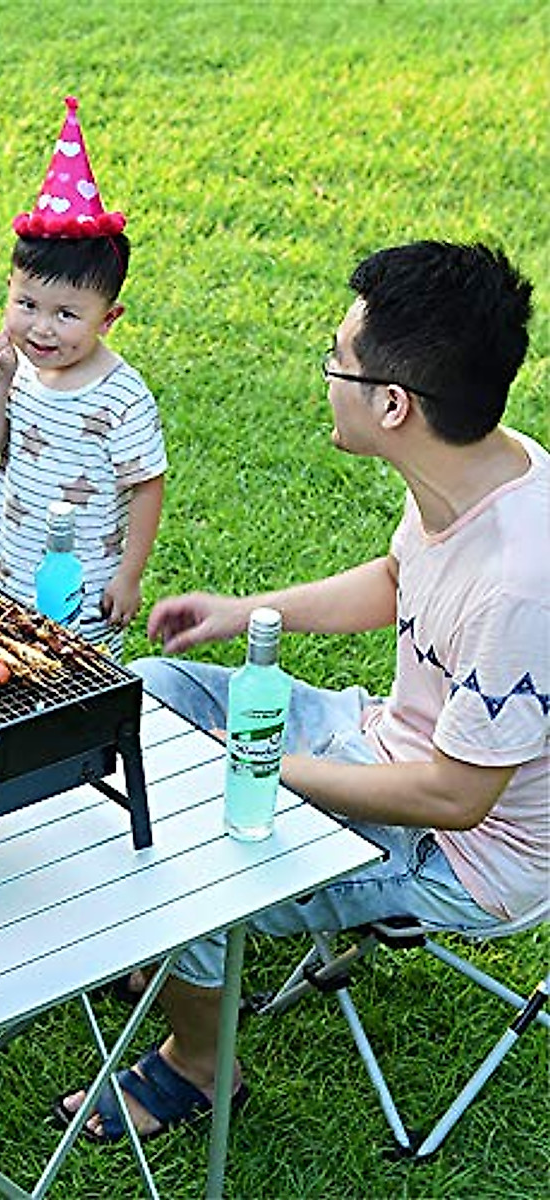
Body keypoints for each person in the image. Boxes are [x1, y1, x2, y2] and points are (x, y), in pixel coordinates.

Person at [54, 239, 548, 1142]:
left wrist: (258, 766)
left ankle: (200, 1066)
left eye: (337, 359)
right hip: (381, 739)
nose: (326, 374)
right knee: (146, 691)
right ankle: (172, 963)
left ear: (393, 405)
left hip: (458, 855)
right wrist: (245, 613)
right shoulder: (482, 463)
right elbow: (399, 579)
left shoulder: (521, 583)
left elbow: (456, 797)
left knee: (185, 858)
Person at [0, 97, 166, 652]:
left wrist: (129, 576)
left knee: (76, 685)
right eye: (27, 304)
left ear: (109, 318)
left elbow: (147, 485)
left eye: (67, 314)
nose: (42, 329)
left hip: (83, 594)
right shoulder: (19, 369)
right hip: (3, 576)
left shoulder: (121, 398)